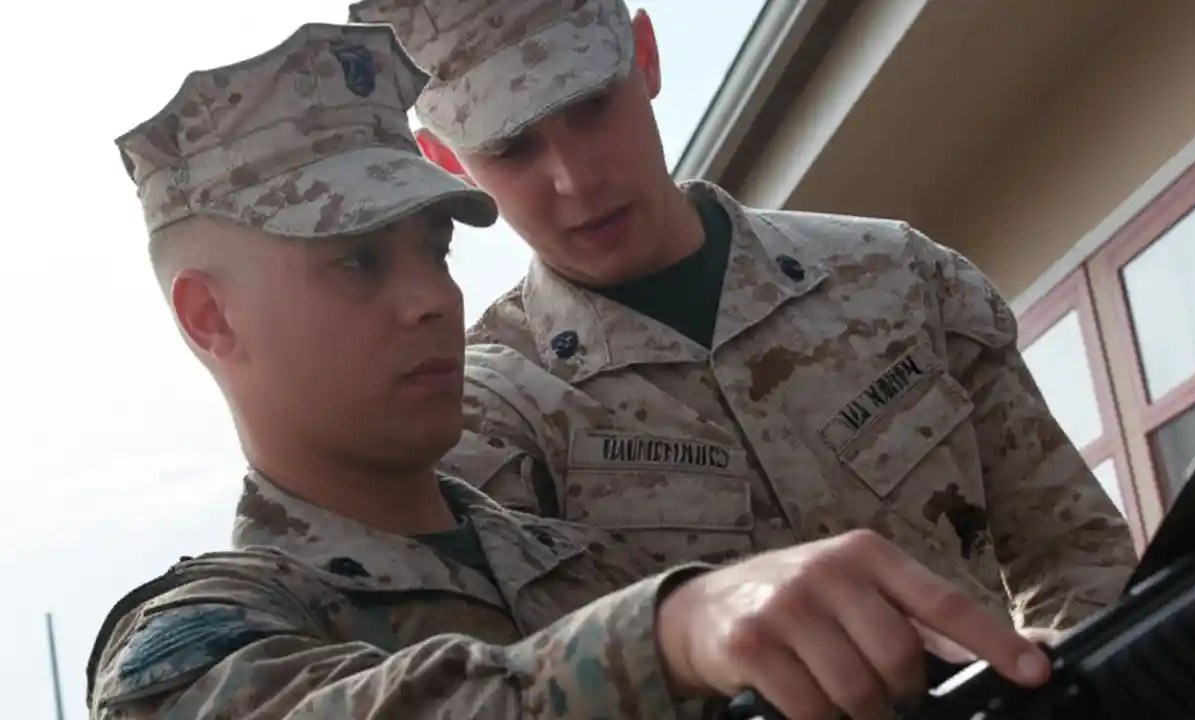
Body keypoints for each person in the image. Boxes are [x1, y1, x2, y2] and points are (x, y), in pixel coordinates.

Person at [88, 22, 1057, 720]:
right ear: (210, 317)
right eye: (357, 261)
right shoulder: (201, 637)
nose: (431, 298)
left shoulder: (588, 567)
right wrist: (668, 636)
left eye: (433, 247)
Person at [346, 0, 1139, 635]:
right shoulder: (483, 418)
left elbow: (1079, 558)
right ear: (447, 162)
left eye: (591, 106)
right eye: (513, 148)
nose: (577, 178)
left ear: (645, 57)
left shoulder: (900, 277)